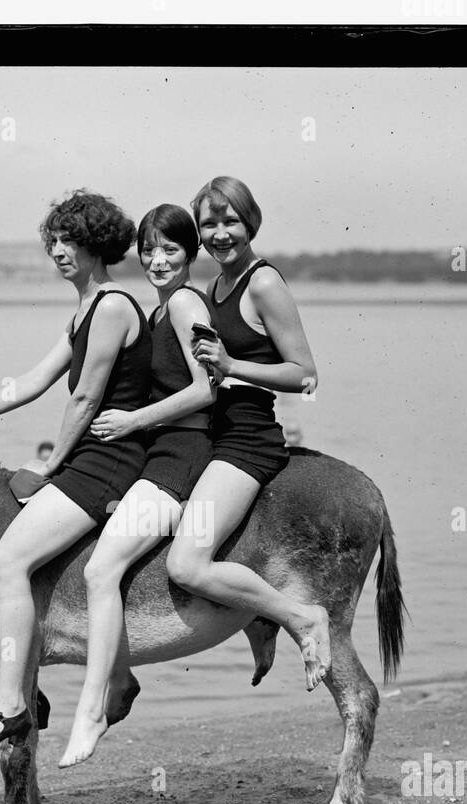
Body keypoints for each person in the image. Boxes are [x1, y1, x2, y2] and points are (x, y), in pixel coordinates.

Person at [0, 190, 153, 751]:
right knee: (15, 558)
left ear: (96, 244)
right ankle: (75, 685)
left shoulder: (110, 306)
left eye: (69, 240)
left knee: (6, 561)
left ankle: (9, 705)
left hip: (109, 461)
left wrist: (53, 463)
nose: (57, 250)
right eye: (52, 240)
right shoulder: (84, 308)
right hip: (91, 458)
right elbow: (34, 381)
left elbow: (83, 398)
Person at [58, 204, 217, 767]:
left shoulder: (183, 303)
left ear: (191, 255)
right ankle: (119, 680)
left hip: (180, 457)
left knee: (102, 569)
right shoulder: (155, 311)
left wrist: (130, 422)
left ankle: (93, 708)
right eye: (148, 249)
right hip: (156, 455)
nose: (157, 259)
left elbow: (206, 390)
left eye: (170, 249)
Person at [166, 176, 332, 691]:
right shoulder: (213, 287)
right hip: (210, 437)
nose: (220, 234)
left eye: (230, 221)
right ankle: (257, 620)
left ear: (250, 222)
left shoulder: (262, 283)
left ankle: (299, 618)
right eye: (209, 224)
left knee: (187, 564)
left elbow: (305, 374)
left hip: (248, 440)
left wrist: (233, 363)